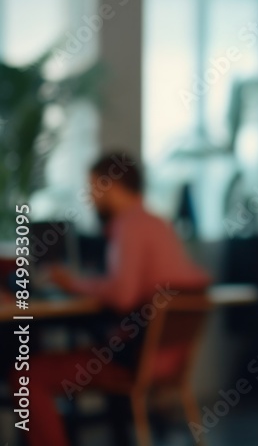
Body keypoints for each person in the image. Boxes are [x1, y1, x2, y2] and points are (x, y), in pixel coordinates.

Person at [11, 152, 212, 446]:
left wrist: (73, 283)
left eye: (93, 188)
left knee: (25, 374)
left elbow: (123, 295)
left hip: (135, 361)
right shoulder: (159, 224)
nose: (90, 197)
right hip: (167, 361)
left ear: (111, 186)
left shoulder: (127, 227)